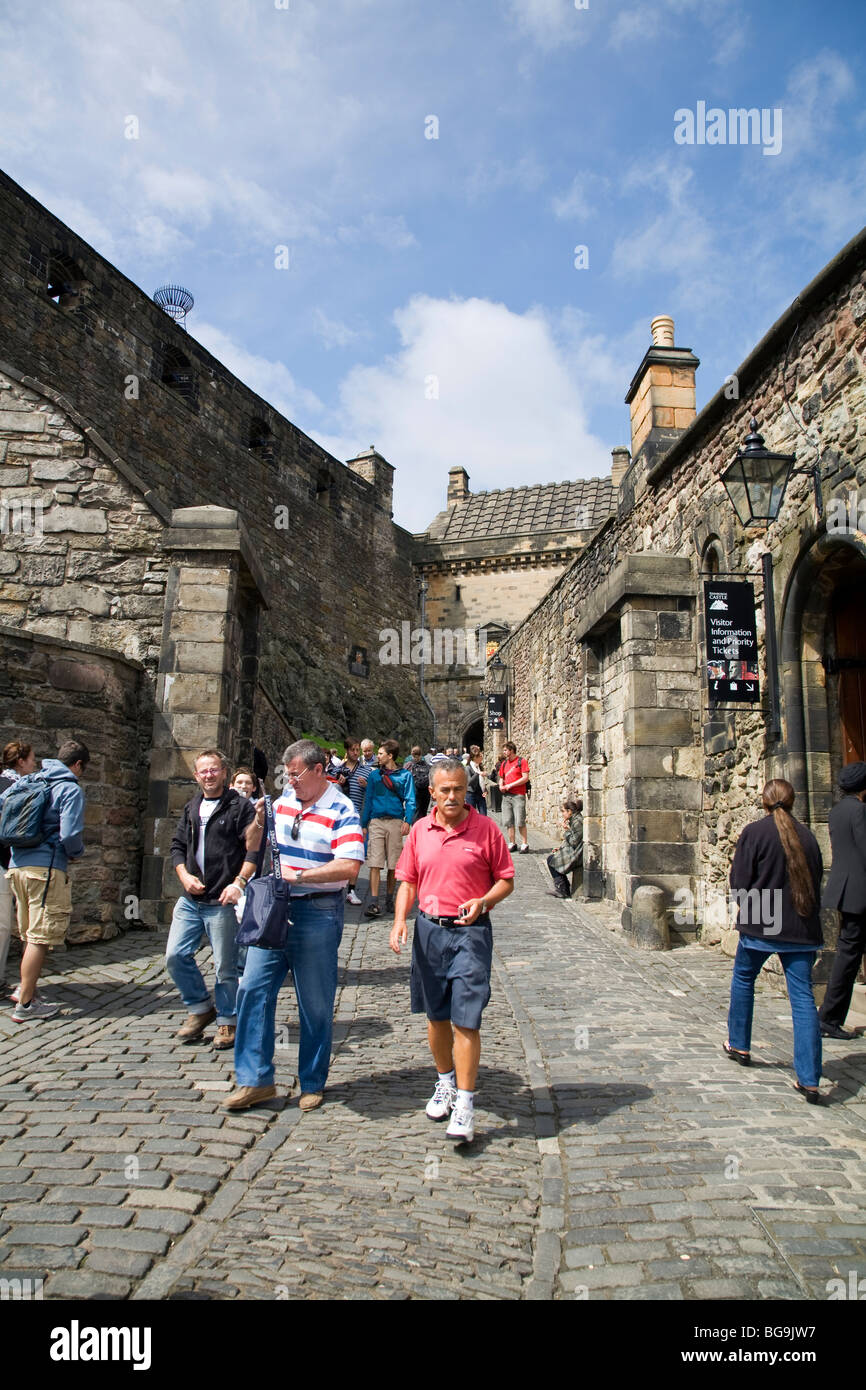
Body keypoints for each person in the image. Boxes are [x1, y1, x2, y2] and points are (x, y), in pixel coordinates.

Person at [224, 739, 364, 1112]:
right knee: (253, 990)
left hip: (317, 912)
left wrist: (303, 876)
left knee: (314, 1002)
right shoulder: (281, 802)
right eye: (287, 774)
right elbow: (253, 846)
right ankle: (255, 1080)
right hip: (274, 910)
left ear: (319, 770)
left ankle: (313, 1081)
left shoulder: (342, 809)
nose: (291, 781)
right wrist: (257, 820)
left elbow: (349, 866)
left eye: (297, 774)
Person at [389, 758, 514, 1143]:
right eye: (445, 790)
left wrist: (483, 900)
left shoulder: (486, 830)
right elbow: (408, 882)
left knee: (467, 1018)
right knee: (436, 1016)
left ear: (466, 789)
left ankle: (465, 1101)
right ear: (433, 792)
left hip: (471, 933)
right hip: (429, 931)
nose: (452, 796)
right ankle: (444, 1082)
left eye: (458, 788)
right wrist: (399, 921)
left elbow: (506, 880)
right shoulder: (420, 833)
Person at [724, 779, 824, 1102]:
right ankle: (809, 1078)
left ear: (764, 802)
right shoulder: (807, 837)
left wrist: (748, 907)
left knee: (743, 978)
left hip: (761, 923)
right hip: (799, 926)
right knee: (803, 999)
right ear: (792, 802)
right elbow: (817, 879)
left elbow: (739, 881)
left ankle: (739, 1044)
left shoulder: (754, 833)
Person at [166, 750, 261, 1050]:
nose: (209, 775)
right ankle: (199, 1007)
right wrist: (183, 876)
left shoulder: (240, 807)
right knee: (175, 956)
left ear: (224, 773)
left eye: (214, 770)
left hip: (221, 900)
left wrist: (238, 883)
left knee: (225, 967)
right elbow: (177, 846)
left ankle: (227, 1021)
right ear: (196, 776)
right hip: (191, 899)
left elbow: (254, 851)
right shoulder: (192, 806)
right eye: (203, 771)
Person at [6, 739, 89, 1022]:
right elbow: (69, 835)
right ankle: (26, 1004)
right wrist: (76, 854)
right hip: (47, 868)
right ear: (78, 765)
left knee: (29, 935)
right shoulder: (69, 788)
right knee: (40, 938)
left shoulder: (28, 781)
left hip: (16, 866)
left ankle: (24, 990)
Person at [818, 761, 866, 1040]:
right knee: (848, 959)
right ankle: (829, 1017)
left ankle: (829, 1016)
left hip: (846, 891)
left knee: (847, 956)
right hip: (860, 893)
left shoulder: (837, 811)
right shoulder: (859, 811)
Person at [361, 740, 415, 917]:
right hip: (376, 821)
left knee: (393, 863)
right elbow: (368, 800)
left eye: (381, 753)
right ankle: (374, 901)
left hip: (395, 821)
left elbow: (410, 799)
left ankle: (390, 898)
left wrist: (408, 820)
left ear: (390, 756)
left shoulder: (405, 776)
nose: (378, 756)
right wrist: (364, 824)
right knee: (374, 863)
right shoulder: (374, 776)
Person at [0, 740, 38, 991]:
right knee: (3, 925)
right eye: (32, 759)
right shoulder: (17, 788)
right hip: (4, 862)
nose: (35, 764)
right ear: (21, 761)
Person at [336, 737, 366, 904]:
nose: (356, 753)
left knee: (355, 854)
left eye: (357, 750)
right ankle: (337, 885)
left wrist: (366, 785)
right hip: (339, 816)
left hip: (356, 816)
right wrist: (338, 782)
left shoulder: (366, 771)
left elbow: (370, 794)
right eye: (353, 750)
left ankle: (351, 890)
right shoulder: (336, 770)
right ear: (346, 751)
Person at [547, 798, 583, 898]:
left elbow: (574, 841)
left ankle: (562, 889)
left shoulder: (577, 822)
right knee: (552, 858)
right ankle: (564, 887)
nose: (562, 814)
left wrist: (566, 830)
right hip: (574, 849)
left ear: (569, 811)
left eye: (563, 811)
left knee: (552, 860)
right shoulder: (574, 821)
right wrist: (560, 848)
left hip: (577, 853)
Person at [499, 741, 530, 853]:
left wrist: (511, 785)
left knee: (520, 820)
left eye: (506, 750)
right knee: (508, 820)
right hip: (506, 796)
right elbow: (501, 777)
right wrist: (501, 785)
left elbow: (525, 777)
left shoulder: (522, 761)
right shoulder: (504, 764)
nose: (504, 752)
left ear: (511, 750)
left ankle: (524, 843)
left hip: (518, 794)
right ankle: (512, 842)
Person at [404, 745, 431, 822]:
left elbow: (403, 777)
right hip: (426, 792)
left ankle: (415, 829)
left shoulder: (409, 764)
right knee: (423, 811)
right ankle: (422, 828)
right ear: (421, 753)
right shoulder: (427, 765)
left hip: (414, 791)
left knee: (415, 811)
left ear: (412, 754)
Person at [466, 745, 487, 816]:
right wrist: (478, 773)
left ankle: (483, 827)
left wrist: (485, 790)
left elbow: (482, 781)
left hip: (480, 793)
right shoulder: (468, 768)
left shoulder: (479, 766)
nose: (482, 757)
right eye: (480, 756)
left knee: (484, 815)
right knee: (471, 815)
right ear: (475, 757)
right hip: (471, 794)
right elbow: (469, 782)